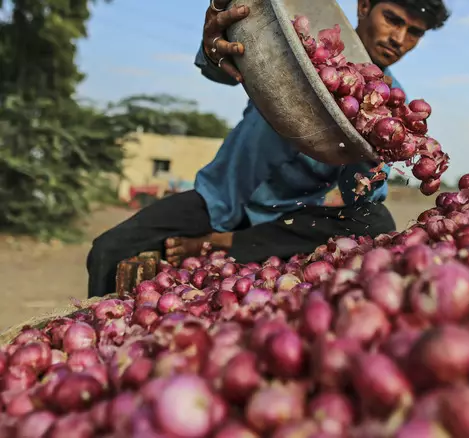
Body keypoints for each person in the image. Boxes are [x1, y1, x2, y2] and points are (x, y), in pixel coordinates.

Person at [86, 0, 450, 298]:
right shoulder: (305, 49)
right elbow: (229, 63)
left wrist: (374, 152)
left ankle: (228, 244)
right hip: (221, 198)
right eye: (392, 20)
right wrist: (214, 46)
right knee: (108, 250)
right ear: (364, 6)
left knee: (375, 220)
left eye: (413, 32)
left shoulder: (393, 111)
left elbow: (362, 197)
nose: (399, 38)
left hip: (289, 219)